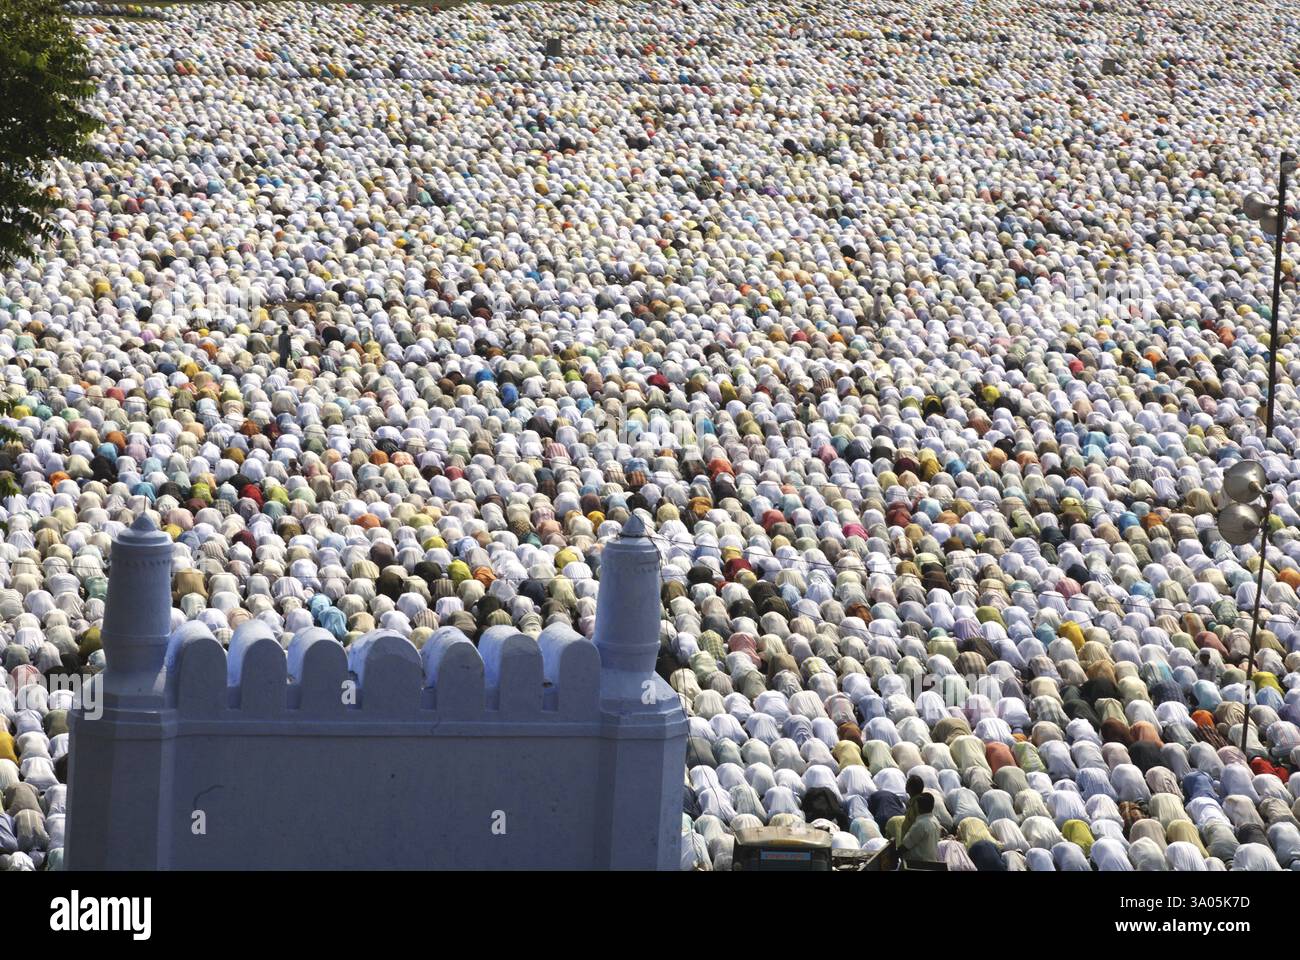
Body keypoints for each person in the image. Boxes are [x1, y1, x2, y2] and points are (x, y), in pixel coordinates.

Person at [897, 793, 940, 865]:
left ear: (918, 807)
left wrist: (893, 855)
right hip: (930, 863)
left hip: (917, 865)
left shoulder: (920, 824)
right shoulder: (934, 820)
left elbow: (905, 846)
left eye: (915, 805)